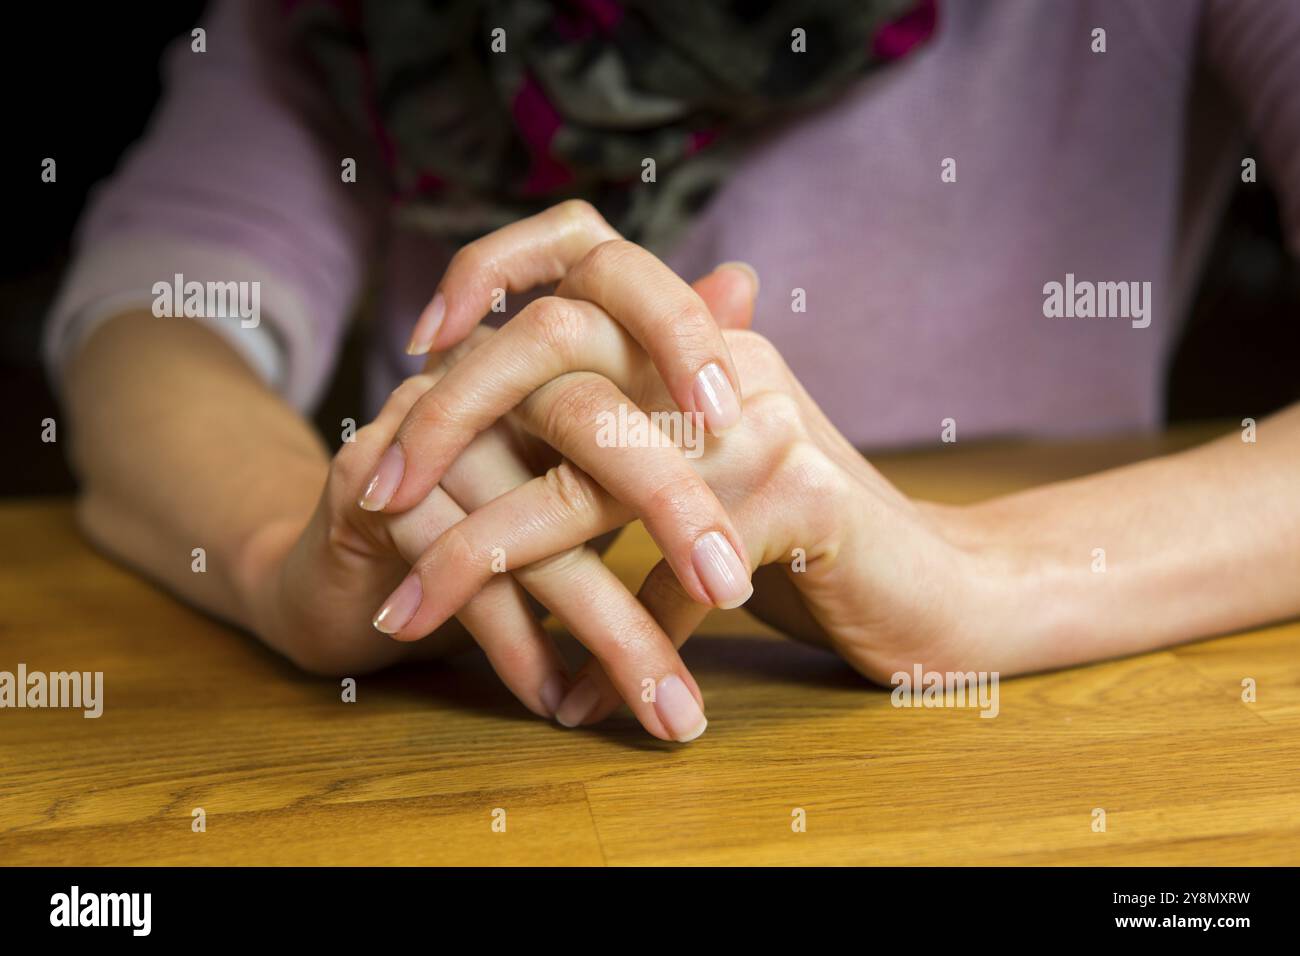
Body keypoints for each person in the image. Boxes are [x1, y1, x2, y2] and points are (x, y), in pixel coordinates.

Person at [46, 0, 1300, 743]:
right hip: (478, 696)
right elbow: (152, 312)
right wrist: (292, 551)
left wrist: (978, 574)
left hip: (1024, 727)